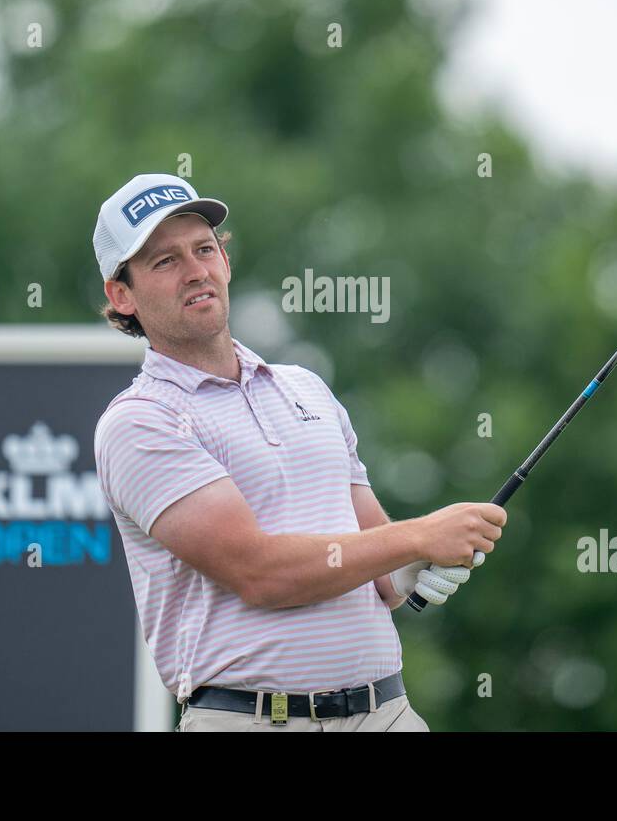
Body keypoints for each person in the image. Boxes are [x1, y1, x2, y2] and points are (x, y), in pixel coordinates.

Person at [92, 173, 506, 731]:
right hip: (253, 720)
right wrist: (418, 535)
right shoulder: (140, 421)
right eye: (165, 262)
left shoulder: (307, 388)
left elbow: (382, 573)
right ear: (123, 295)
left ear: (226, 262)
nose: (195, 271)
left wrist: (425, 562)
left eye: (204, 249)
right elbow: (260, 573)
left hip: (385, 714)